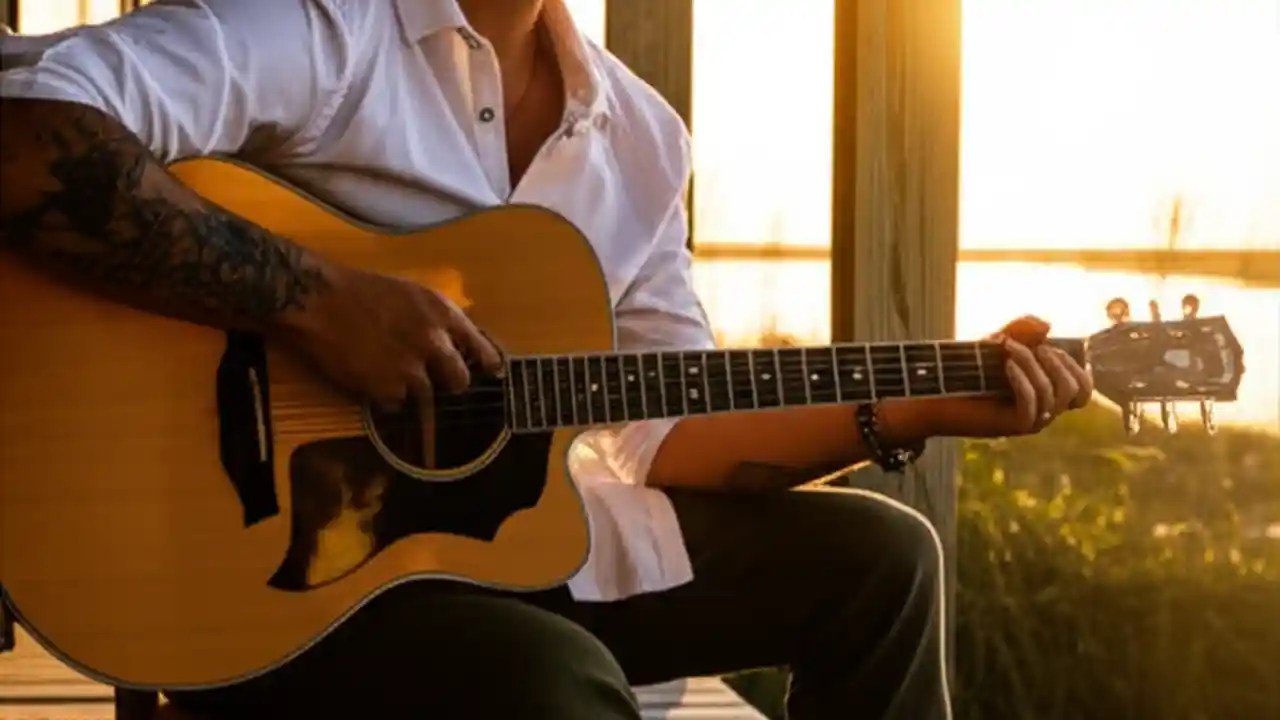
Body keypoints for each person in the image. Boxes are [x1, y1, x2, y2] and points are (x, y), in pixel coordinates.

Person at [0, 1, 1092, 718]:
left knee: (884, 563)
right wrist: (311, 300)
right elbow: (27, 124)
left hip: (488, 553)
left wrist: (912, 410)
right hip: (270, 577)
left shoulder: (637, 137)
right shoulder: (325, 31)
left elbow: (665, 434)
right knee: (544, 677)